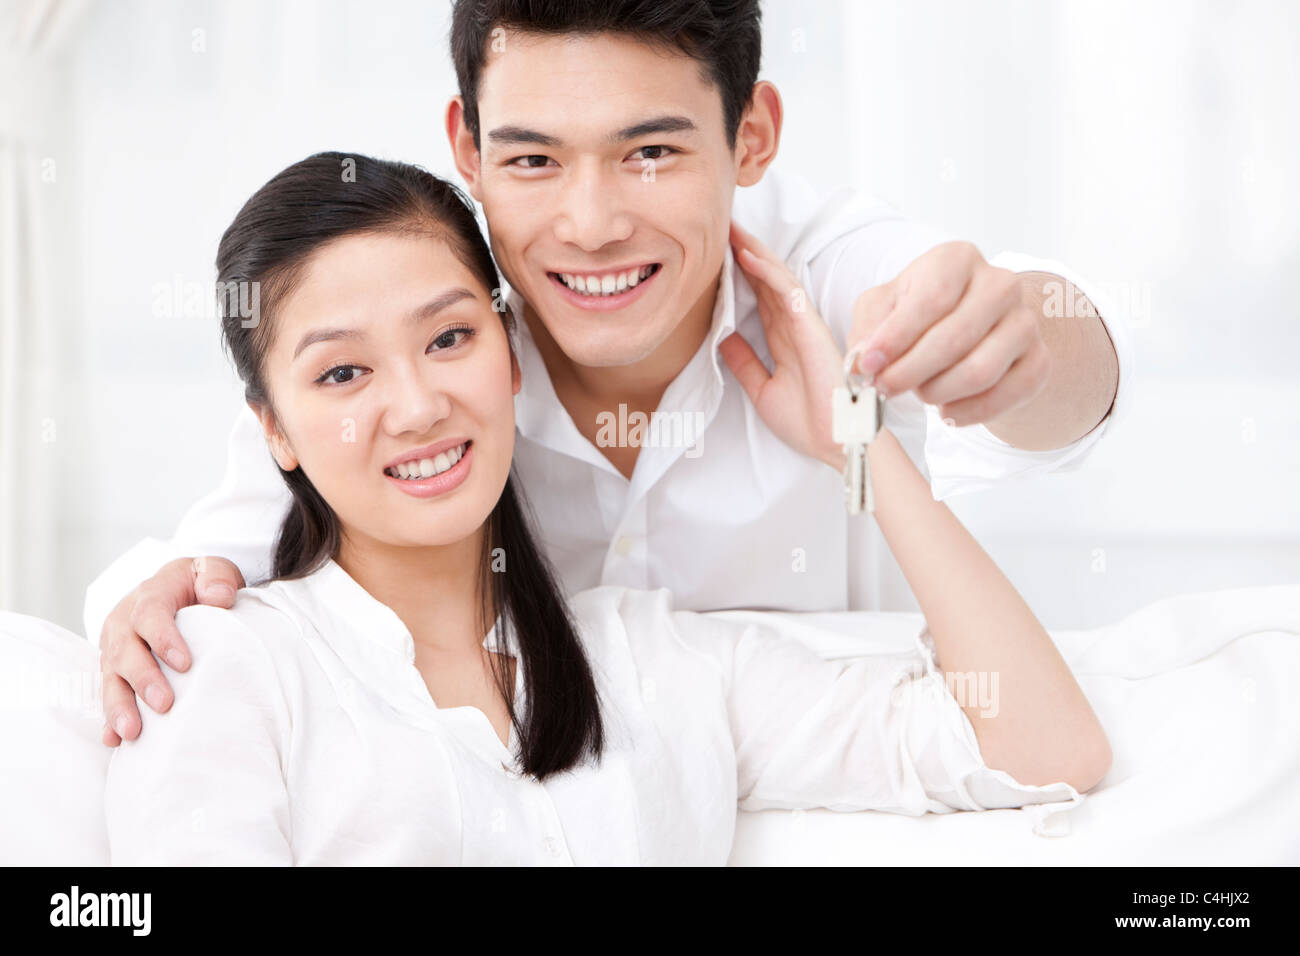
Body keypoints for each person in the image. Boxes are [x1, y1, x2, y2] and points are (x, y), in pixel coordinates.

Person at [89, 0, 1133, 747]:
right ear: (467, 146)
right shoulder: (417, 343)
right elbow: (187, 583)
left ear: (752, 135)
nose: (589, 227)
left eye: (650, 154)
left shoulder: (818, 276)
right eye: (533, 160)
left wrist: (1018, 334)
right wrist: (136, 611)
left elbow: (1051, 362)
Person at [105, 152, 1109, 865]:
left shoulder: (656, 660)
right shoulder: (221, 668)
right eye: (342, 372)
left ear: (511, 356)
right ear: (273, 430)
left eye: (449, 339)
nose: (415, 406)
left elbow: (1039, 749)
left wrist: (860, 442)